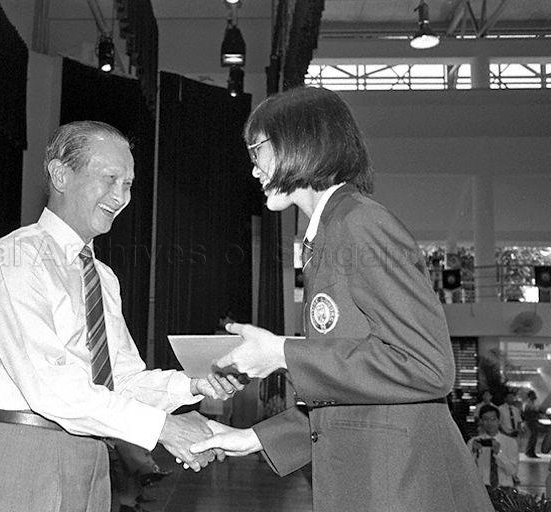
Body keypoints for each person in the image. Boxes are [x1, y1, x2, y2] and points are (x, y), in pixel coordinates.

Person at [189, 87, 492, 511]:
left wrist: (282, 353)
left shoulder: (360, 224)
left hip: (403, 488)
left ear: (300, 142)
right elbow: (357, 390)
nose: (253, 168)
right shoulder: (330, 235)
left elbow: (427, 367)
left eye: (257, 149)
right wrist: (255, 437)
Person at [0, 121, 243, 512]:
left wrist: (192, 386)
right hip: (19, 449)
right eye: (109, 179)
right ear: (60, 175)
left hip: (90, 453)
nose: (121, 197)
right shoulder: (16, 258)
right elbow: (50, 387)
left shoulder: (102, 277)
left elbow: (119, 381)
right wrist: (166, 429)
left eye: (128, 184)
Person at [467, 405, 519, 489]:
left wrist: (499, 453)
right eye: (485, 419)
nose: (489, 423)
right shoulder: (473, 442)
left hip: (504, 488)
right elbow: (466, 470)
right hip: (481, 488)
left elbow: (512, 471)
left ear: (499, 421)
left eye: (493, 419)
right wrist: (473, 452)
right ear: (481, 421)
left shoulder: (510, 442)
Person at [523, 389, 542, 457]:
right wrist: (535, 412)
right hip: (530, 421)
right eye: (533, 395)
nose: (535, 396)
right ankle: (529, 451)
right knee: (532, 436)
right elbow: (527, 413)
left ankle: (531, 451)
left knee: (534, 436)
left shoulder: (533, 403)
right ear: (530, 396)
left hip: (534, 421)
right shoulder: (527, 403)